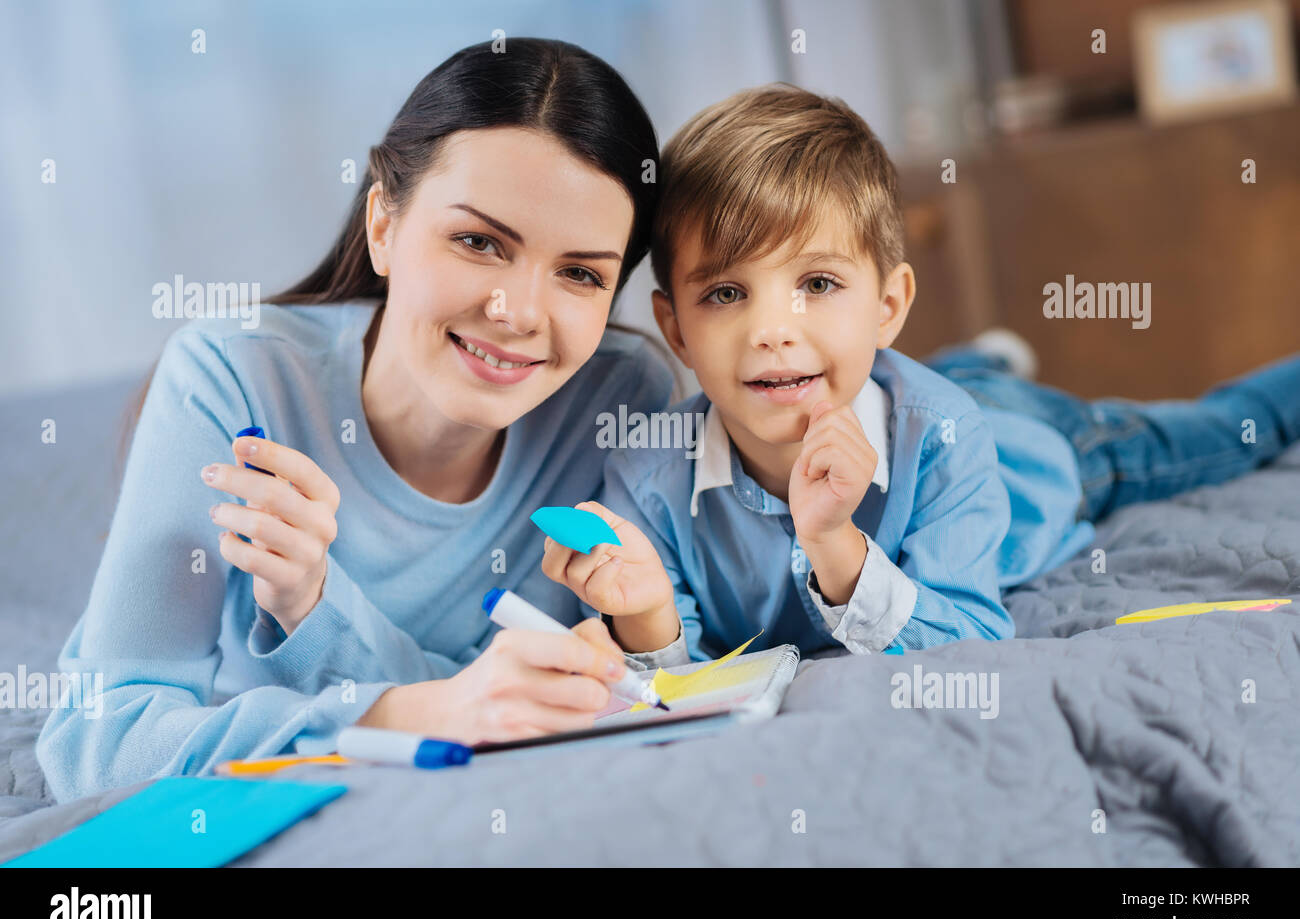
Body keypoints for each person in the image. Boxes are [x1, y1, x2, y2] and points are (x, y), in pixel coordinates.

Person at [38, 39, 674, 803]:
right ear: (383, 225)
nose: (518, 313)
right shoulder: (230, 377)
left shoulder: (618, 401)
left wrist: (319, 608)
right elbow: (95, 740)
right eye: (478, 242)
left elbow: (545, 689)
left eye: (580, 273)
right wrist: (415, 708)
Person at [539, 83, 1300, 665]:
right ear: (675, 327)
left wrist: (835, 544)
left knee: (1216, 432)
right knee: (927, 378)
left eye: (819, 284)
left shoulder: (945, 436)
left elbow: (970, 638)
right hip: (897, 381)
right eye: (727, 293)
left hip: (1029, 448)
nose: (772, 330)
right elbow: (674, 671)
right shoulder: (645, 476)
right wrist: (642, 616)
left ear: (890, 303)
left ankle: (989, 368)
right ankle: (982, 355)